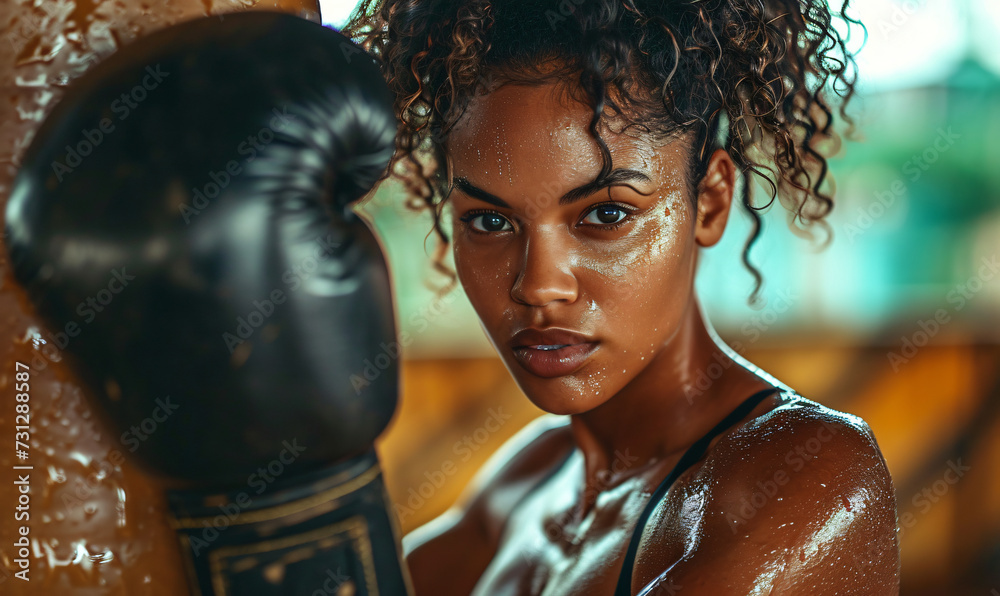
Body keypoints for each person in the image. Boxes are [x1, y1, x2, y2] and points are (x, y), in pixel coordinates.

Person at [344, 1, 900, 594]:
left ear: (709, 202)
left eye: (606, 213)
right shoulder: (530, 478)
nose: (538, 286)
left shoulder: (808, 472)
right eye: (488, 222)